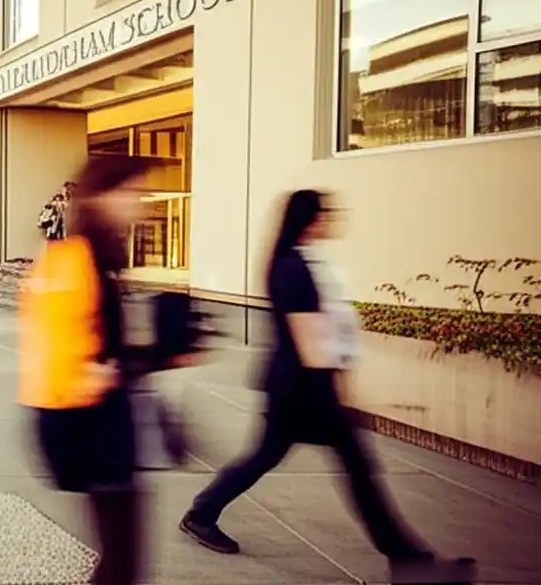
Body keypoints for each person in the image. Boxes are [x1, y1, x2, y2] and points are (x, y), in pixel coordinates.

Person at [179, 190, 475, 585]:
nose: (332, 221)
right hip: (303, 392)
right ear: (311, 220)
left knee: (273, 459)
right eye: (326, 215)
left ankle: (202, 513)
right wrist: (343, 397)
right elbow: (310, 344)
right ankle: (410, 563)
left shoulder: (300, 261)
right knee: (355, 470)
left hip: (296, 389)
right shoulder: (291, 268)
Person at [19, 157, 200, 585]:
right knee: (122, 564)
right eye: (131, 194)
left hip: (96, 429)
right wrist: (160, 354)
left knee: (120, 561)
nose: (139, 205)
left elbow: (99, 352)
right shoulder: (79, 263)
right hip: (93, 433)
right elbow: (88, 368)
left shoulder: (88, 259)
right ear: (100, 197)